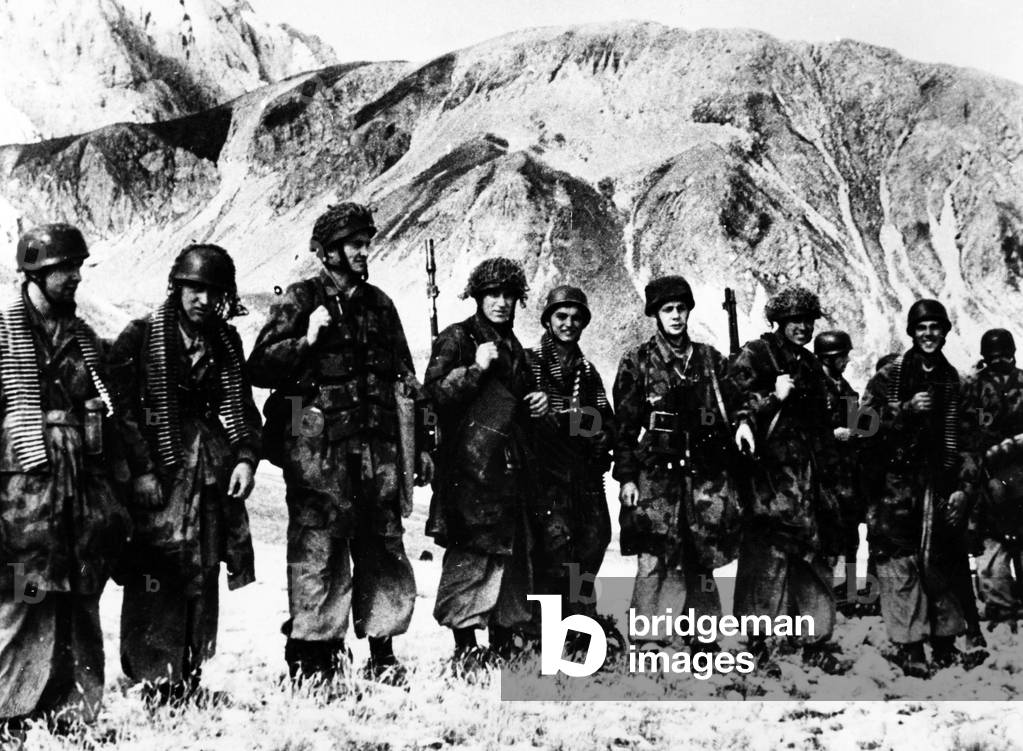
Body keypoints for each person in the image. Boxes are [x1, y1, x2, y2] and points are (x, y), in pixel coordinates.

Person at [248, 202, 431, 685]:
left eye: (366, 243)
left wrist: (422, 445)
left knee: (383, 549)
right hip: (319, 455)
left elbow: (406, 379)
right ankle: (314, 657)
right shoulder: (300, 299)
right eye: (354, 244)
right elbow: (260, 366)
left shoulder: (381, 305)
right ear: (328, 251)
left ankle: (382, 653)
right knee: (319, 551)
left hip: (377, 455)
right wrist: (306, 340)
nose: (363, 251)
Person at [110, 244, 262, 704]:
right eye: (194, 288)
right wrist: (141, 472)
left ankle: (190, 675)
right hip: (158, 474)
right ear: (176, 287)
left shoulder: (226, 341)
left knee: (203, 571)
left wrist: (245, 459)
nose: (203, 299)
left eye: (213, 292)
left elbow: (244, 411)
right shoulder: (140, 336)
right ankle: (153, 681)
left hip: (210, 474)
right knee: (156, 571)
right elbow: (122, 413)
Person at [0, 224, 134, 735]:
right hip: (21, 501)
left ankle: (73, 716)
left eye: (78, 267)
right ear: (35, 274)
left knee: (81, 599)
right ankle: (10, 713)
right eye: (65, 269)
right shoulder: (5, 334)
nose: (76, 277)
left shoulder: (84, 339)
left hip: (81, 496)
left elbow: (113, 417)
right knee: (22, 599)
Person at [424, 257, 549, 665]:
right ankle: (464, 647)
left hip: (509, 472)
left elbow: (518, 407)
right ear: (478, 297)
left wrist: (537, 402)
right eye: (492, 294)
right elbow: (434, 395)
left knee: (510, 560)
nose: (501, 302)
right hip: (469, 473)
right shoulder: (457, 338)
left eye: (509, 295)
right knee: (470, 557)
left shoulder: (517, 349)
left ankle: (503, 643)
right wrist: (475, 368)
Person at [613, 275, 740, 654]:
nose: (675, 316)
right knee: (653, 555)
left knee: (702, 554)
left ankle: (703, 636)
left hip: (702, 475)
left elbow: (735, 406)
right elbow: (623, 429)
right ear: (655, 314)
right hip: (655, 476)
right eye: (667, 309)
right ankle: (648, 638)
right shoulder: (636, 361)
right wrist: (627, 478)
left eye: (681, 309)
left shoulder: (710, 360)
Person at [860, 299, 986, 676]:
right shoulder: (887, 378)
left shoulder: (959, 383)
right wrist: (904, 410)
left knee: (942, 563)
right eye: (922, 328)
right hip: (894, 490)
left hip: (941, 488)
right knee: (900, 566)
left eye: (935, 327)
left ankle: (945, 643)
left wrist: (963, 489)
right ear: (912, 333)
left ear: (945, 332)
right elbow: (859, 427)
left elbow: (971, 444)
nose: (929, 334)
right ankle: (911, 646)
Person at [727, 285, 848, 674]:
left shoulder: (810, 365)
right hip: (768, 481)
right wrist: (773, 399)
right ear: (779, 322)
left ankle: (816, 642)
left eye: (808, 321)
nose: (803, 327)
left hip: (808, 481)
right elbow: (736, 408)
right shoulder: (755, 355)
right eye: (795, 320)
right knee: (766, 561)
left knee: (813, 561)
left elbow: (824, 422)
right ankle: (759, 644)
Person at [526, 285, 616, 638]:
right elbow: (522, 415)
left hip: (584, 476)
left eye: (576, 318)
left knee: (594, 540)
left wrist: (587, 427)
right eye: (561, 316)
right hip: (544, 477)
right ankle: (544, 630)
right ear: (547, 320)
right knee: (552, 550)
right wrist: (573, 420)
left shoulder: (587, 371)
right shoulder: (530, 364)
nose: (569, 323)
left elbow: (604, 420)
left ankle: (580, 624)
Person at [960, 329, 1023, 634]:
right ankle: (1001, 611)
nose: (999, 362)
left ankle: (1004, 612)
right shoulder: (973, 387)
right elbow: (965, 433)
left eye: (1003, 356)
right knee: (990, 549)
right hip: (988, 479)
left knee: (996, 547)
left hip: (1012, 477)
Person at [813, 331, 871, 614]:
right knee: (826, 540)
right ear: (829, 358)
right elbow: (805, 428)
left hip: (847, 474)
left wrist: (857, 431)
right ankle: (823, 594)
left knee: (850, 538)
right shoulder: (814, 388)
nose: (847, 361)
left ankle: (847, 593)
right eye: (842, 356)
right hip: (823, 477)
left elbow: (857, 423)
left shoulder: (845, 388)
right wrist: (830, 434)